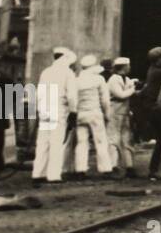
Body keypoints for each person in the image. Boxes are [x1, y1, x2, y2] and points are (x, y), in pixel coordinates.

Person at [32, 47, 78, 186]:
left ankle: (38, 173)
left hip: (45, 110)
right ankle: (53, 175)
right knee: (56, 143)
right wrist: (73, 111)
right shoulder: (68, 73)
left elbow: (39, 93)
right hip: (59, 110)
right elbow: (71, 96)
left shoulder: (46, 72)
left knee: (42, 143)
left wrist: (39, 110)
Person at [73, 55, 114, 179]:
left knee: (81, 142)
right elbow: (105, 100)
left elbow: (73, 99)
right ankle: (105, 169)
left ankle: (80, 170)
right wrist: (107, 114)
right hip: (95, 113)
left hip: (81, 113)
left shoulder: (76, 80)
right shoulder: (99, 79)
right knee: (100, 141)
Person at [138, 47, 161, 181]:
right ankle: (156, 170)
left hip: (151, 108)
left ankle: (160, 169)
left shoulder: (152, 70)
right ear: (159, 59)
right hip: (156, 109)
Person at [106, 57, 138, 178]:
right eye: (128, 66)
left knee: (127, 139)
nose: (129, 68)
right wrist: (133, 89)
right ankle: (113, 166)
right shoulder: (113, 80)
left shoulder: (127, 79)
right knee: (113, 139)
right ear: (123, 67)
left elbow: (129, 91)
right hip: (114, 112)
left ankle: (129, 166)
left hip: (124, 113)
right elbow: (121, 95)